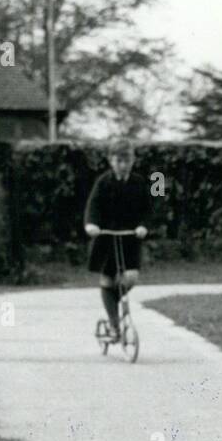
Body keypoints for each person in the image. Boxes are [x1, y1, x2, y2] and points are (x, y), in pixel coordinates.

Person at [83, 139, 151, 341]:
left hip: (130, 238)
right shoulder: (103, 182)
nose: (123, 165)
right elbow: (92, 206)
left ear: (133, 160)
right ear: (111, 161)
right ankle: (114, 325)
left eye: (127, 160)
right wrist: (91, 225)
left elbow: (148, 208)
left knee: (129, 278)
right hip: (106, 239)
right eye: (119, 160)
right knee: (107, 281)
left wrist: (143, 226)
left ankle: (111, 304)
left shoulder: (140, 182)